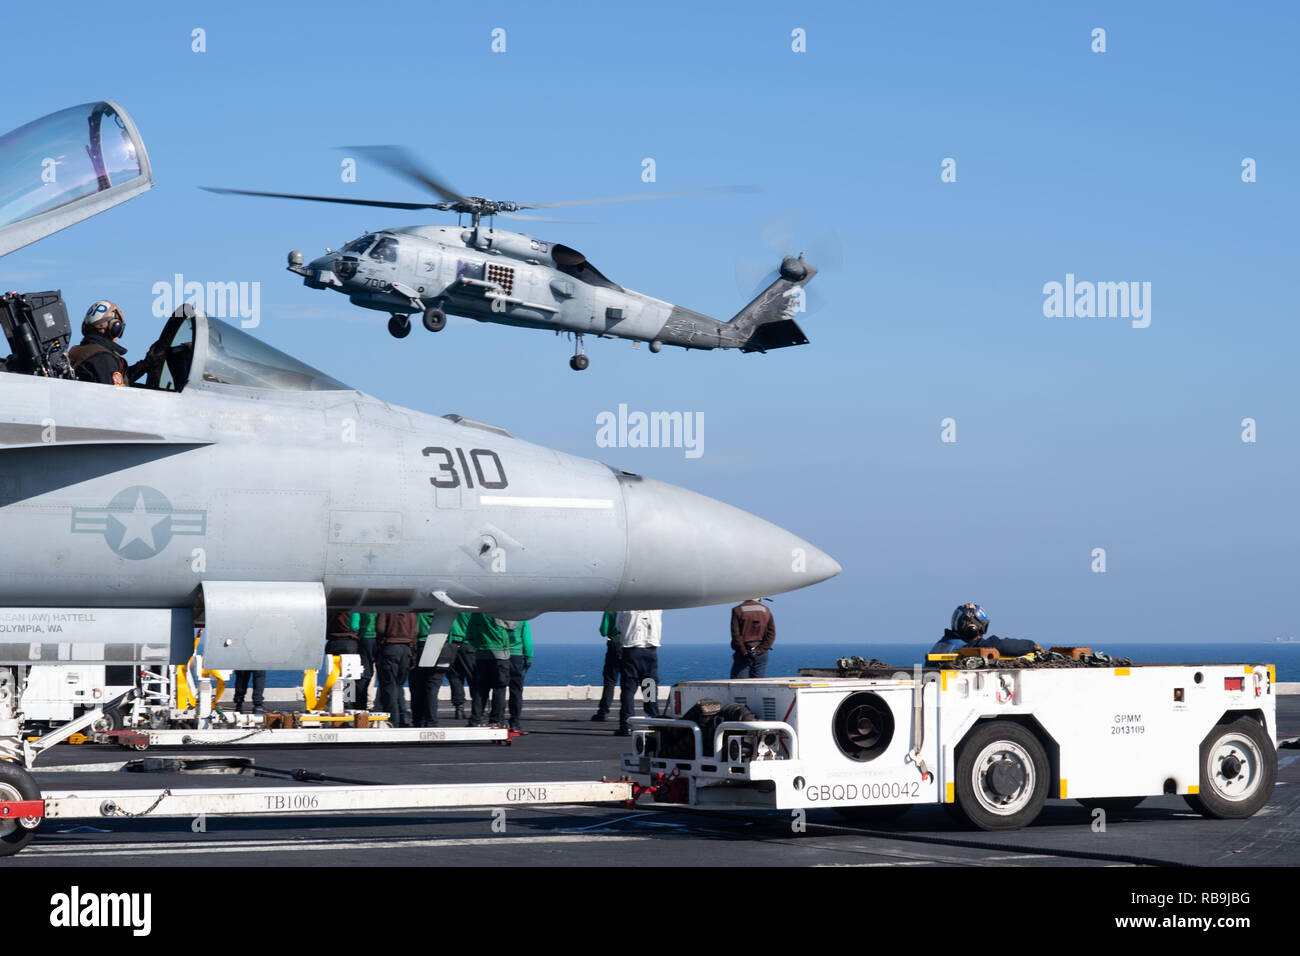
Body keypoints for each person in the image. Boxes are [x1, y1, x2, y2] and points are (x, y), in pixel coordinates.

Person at [67, 300, 163, 386]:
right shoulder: (103, 358)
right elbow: (116, 397)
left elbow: (117, 379)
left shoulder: (80, 352)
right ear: (115, 328)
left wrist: (145, 365)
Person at [928, 604, 1041, 658]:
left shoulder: (941, 644)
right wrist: (1031, 645)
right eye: (983, 628)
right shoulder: (967, 648)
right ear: (973, 629)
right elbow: (1000, 645)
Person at [464, 613, 516, 728]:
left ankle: (475, 719)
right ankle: (496, 720)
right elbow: (512, 625)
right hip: (500, 655)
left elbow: (469, 633)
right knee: (499, 689)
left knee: (480, 691)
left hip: (481, 654)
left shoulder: (476, 614)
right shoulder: (496, 610)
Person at [616, 609, 662, 737]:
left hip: (631, 650)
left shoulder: (625, 606)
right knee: (649, 687)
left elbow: (618, 625)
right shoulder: (656, 607)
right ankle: (653, 720)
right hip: (650, 650)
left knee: (628, 690)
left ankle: (626, 725)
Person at [375, 611, 418, 727]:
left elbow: (380, 628)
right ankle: (403, 716)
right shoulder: (412, 612)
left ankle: (393, 720)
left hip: (390, 648)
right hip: (407, 650)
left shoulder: (388, 609)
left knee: (389, 686)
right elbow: (415, 632)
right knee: (399, 685)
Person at [408, 611, 441, 727]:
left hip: (419, 646)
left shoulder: (418, 612)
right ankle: (431, 720)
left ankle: (418, 719)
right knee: (432, 687)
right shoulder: (441, 612)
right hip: (439, 645)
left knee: (417, 687)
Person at [729, 598, 775, 678]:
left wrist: (744, 652)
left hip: (743, 653)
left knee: (739, 684)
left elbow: (736, 634)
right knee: (758, 683)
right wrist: (759, 650)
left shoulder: (737, 610)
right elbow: (771, 634)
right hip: (761, 653)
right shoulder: (766, 610)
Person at [590, 612, 623, 721]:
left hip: (615, 645)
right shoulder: (640, 609)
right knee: (647, 680)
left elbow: (603, 631)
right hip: (641, 648)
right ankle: (652, 710)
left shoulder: (611, 609)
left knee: (610, 680)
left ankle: (603, 711)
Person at [324, 610, 360, 709]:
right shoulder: (352, 607)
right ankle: (348, 703)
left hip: (333, 642)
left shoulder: (331, 607)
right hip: (349, 642)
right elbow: (355, 625)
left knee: (334, 674)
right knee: (349, 675)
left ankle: (334, 701)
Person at [506, 618, 533, 733]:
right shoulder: (522, 619)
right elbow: (526, 639)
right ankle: (515, 722)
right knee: (516, 691)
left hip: (499, 654)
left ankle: (497, 719)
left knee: (499, 689)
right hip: (516, 656)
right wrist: (528, 657)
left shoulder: (498, 617)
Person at [445, 615, 473, 720]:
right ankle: (477, 709)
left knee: (454, 678)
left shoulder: (450, 608)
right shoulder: (471, 609)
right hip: (468, 644)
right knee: (473, 678)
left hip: (452, 645)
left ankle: (459, 707)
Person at [354, 612, 378, 710]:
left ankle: (349, 703)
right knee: (372, 673)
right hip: (376, 639)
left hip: (352, 641)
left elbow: (354, 625)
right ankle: (370, 703)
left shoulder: (353, 605)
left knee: (349, 675)